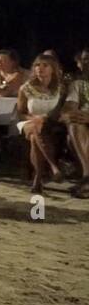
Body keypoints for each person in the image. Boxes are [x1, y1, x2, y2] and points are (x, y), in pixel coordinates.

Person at [17, 54, 78, 194]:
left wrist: (45, 119)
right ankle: (53, 167)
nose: (40, 68)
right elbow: (21, 113)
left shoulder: (61, 88)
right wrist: (34, 118)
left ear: (53, 69)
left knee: (35, 137)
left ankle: (38, 178)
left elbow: (62, 110)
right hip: (29, 122)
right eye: (37, 65)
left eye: (45, 65)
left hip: (51, 123)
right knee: (36, 128)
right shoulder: (25, 88)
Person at [62, 48, 89, 197]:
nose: (85, 63)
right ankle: (87, 175)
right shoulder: (78, 84)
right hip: (82, 122)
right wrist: (71, 114)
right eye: (83, 59)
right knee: (74, 124)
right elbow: (69, 107)